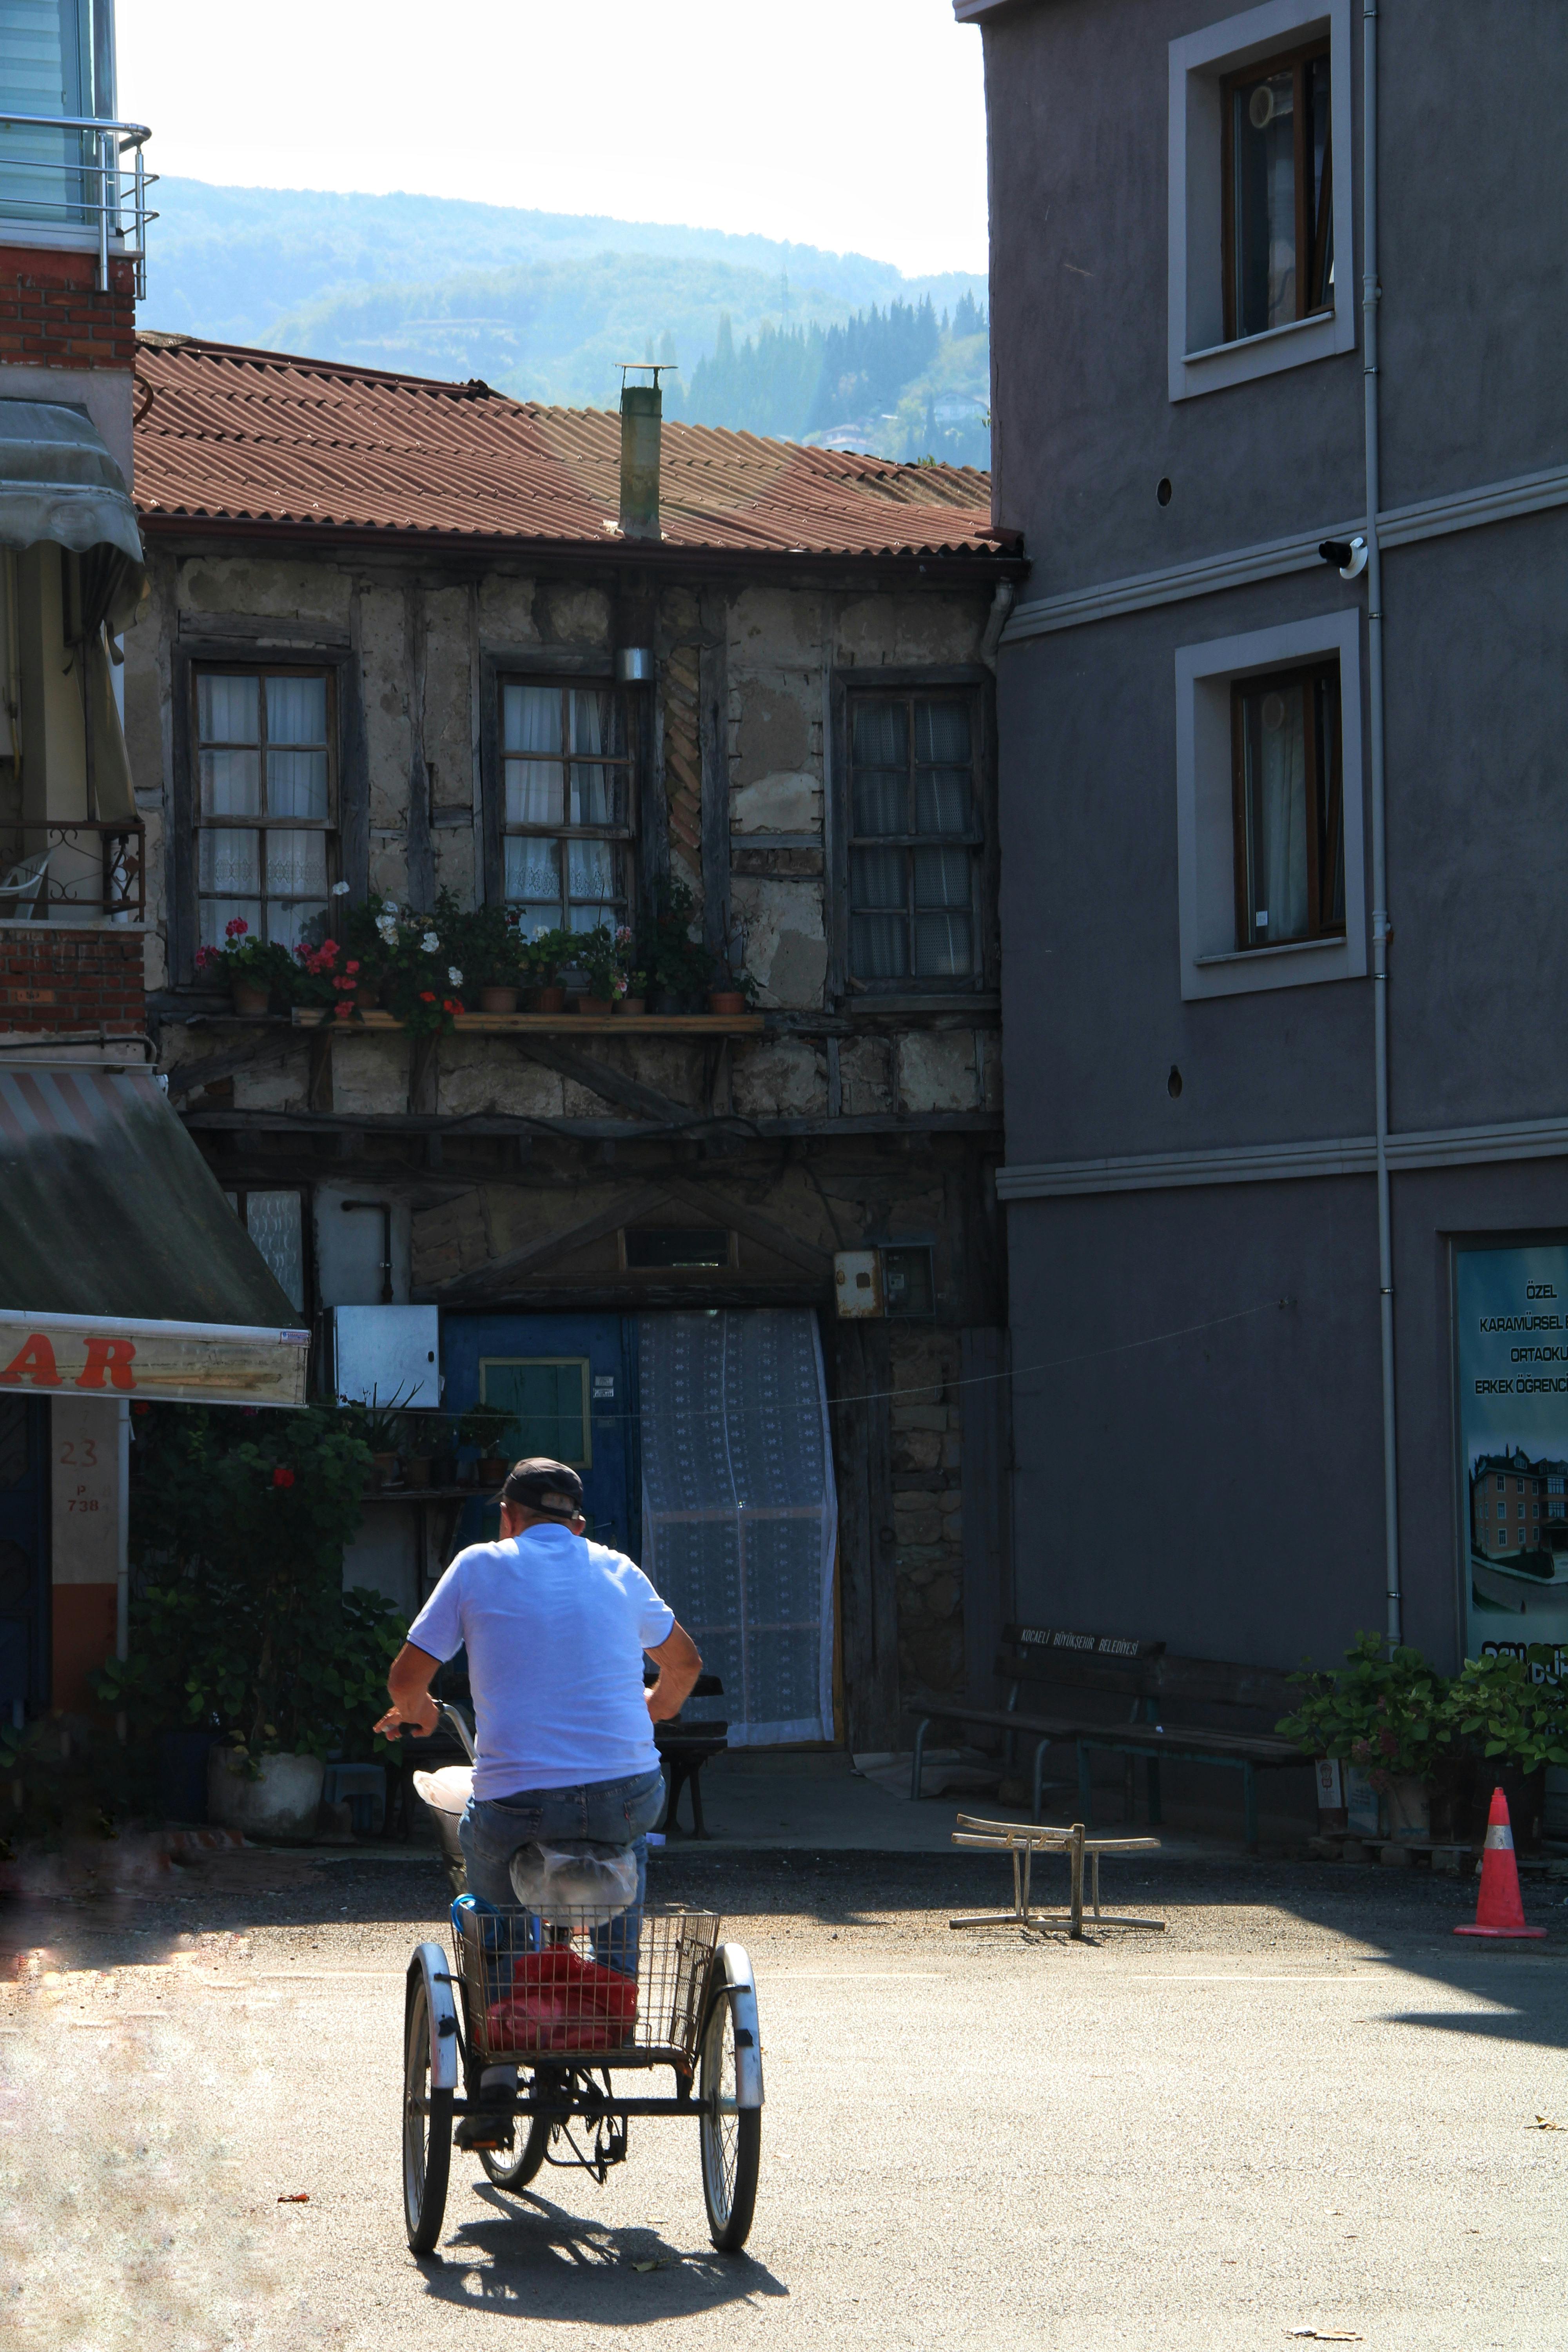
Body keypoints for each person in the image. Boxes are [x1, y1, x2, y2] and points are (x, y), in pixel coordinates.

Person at [375, 1454, 701, 2147]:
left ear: (508, 1518)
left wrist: (423, 1715)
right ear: (578, 1525)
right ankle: (611, 2013)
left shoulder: (479, 1565)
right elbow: (685, 1665)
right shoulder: (617, 1569)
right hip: (624, 1793)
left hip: (518, 1802)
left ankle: (496, 2076)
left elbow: (407, 1678)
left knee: (492, 1891)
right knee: (626, 1851)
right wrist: (653, 1707)